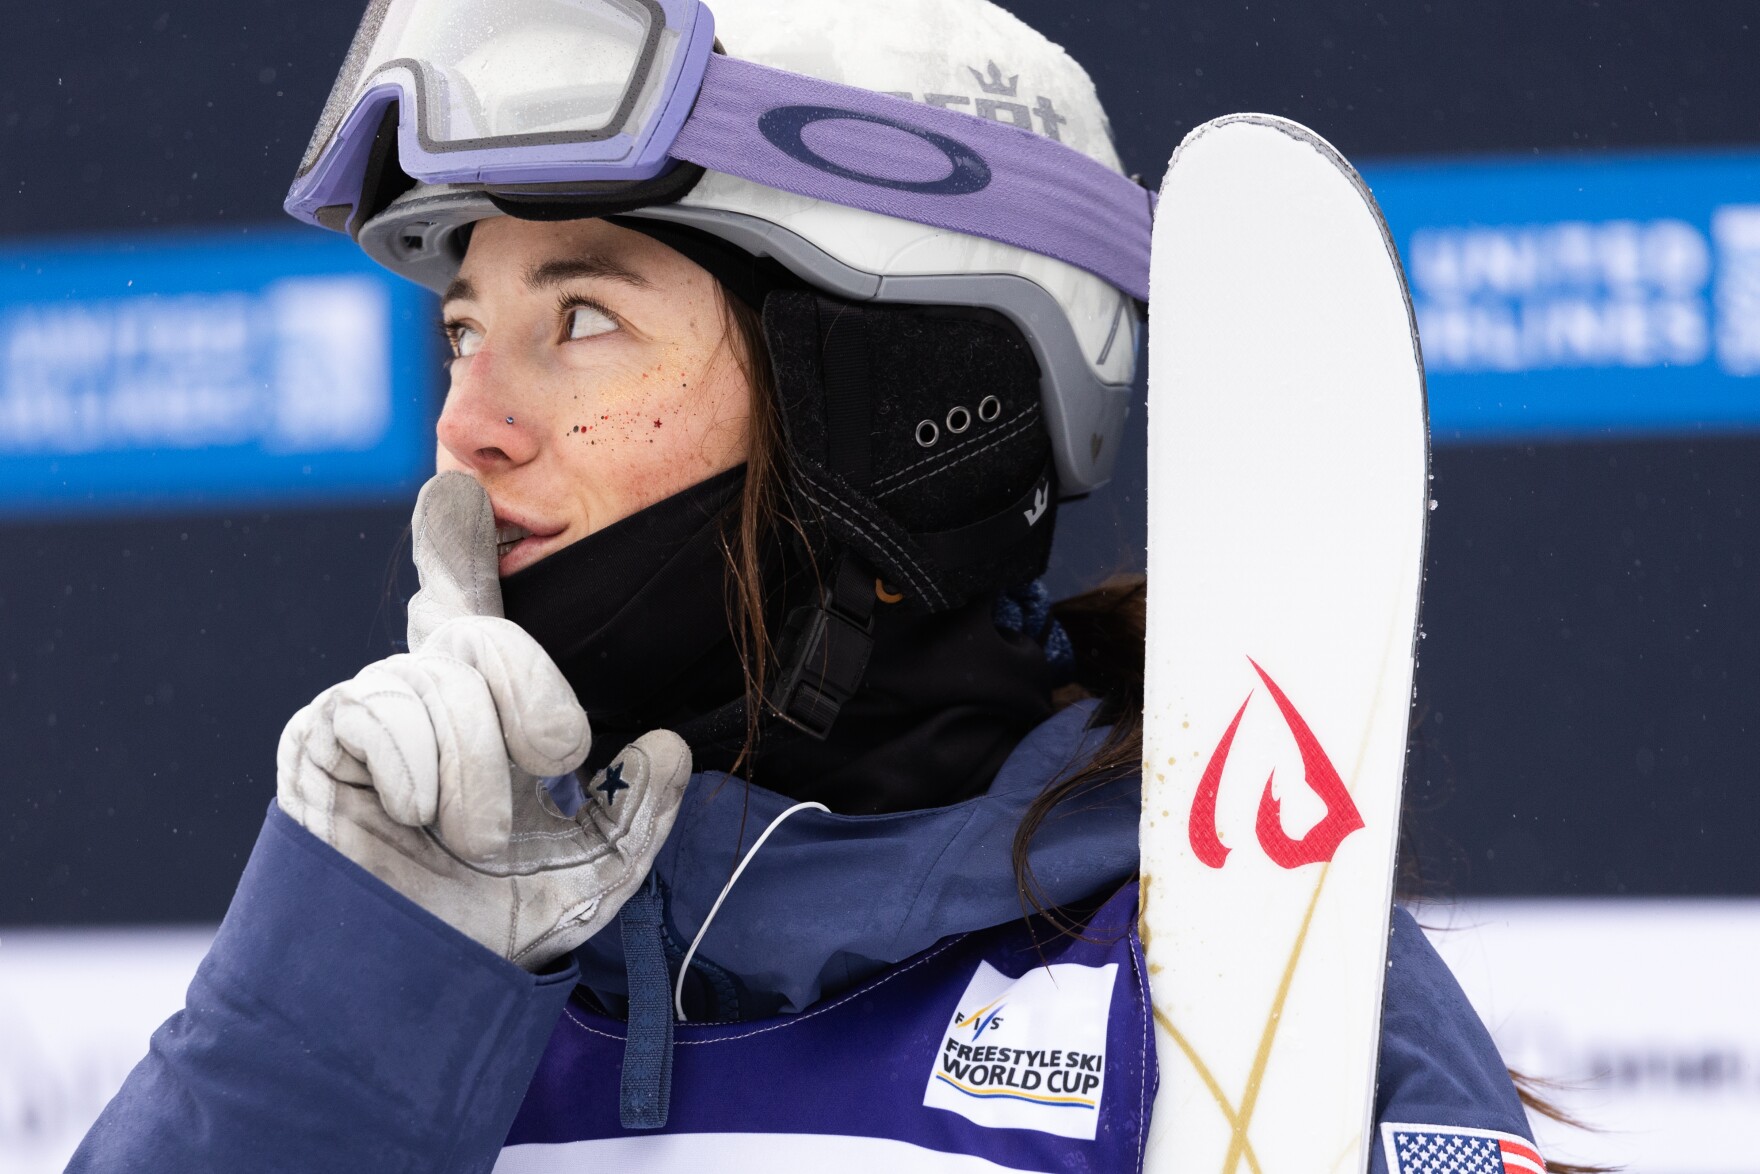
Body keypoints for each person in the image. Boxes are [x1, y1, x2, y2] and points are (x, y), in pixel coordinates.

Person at [69, 0, 1548, 1170]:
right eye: (465, 330)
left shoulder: (1228, 977)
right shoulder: (408, 958)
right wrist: (338, 1008)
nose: (469, 426)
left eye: (579, 315)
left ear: (895, 396)